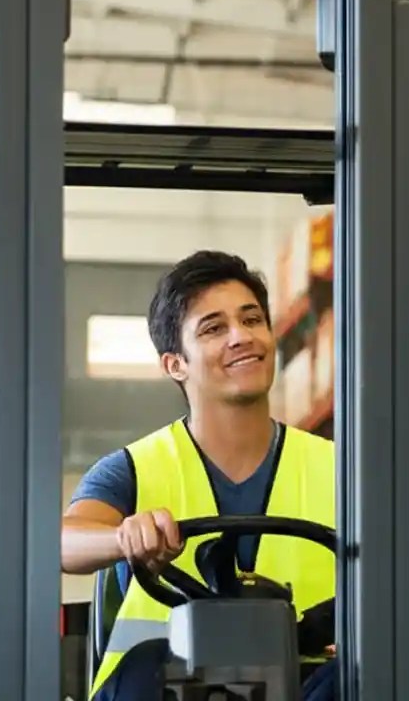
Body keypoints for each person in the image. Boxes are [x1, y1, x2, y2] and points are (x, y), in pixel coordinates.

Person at [62, 250, 339, 701]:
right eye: (214, 328)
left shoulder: (338, 468)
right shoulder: (132, 469)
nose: (241, 337)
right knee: (144, 666)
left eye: (252, 321)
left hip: (307, 682)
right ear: (175, 364)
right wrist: (122, 539)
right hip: (172, 682)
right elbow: (64, 542)